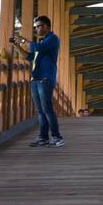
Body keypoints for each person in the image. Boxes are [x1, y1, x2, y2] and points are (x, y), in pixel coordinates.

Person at [10, 15, 64, 148]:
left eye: (39, 26)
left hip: (45, 78)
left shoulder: (52, 39)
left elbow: (37, 48)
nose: (37, 29)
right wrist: (16, 46)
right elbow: (29, 56)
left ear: (46, 26)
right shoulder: (42, 43)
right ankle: (43, 137)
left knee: (48, 110)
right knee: (40, 111)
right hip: (35, 78)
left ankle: (57, 138)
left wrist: (23, 40)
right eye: (36, 27)